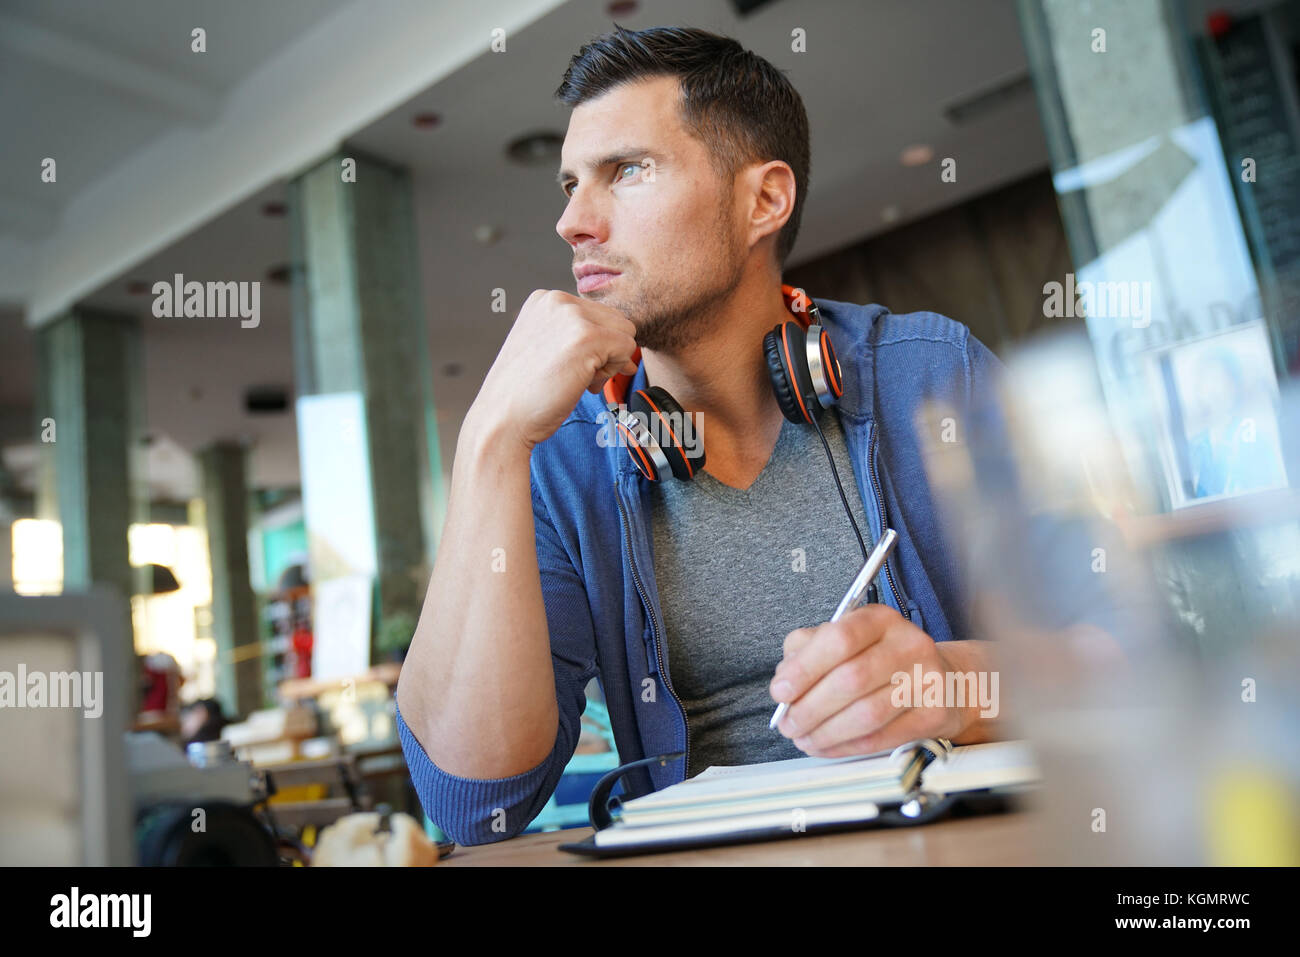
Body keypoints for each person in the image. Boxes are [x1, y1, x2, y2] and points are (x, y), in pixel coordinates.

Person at [396, 25, 1005, 845]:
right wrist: (489, 443)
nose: (572, 222)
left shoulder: (929, 374)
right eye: (570, 184)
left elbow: (1126, 660)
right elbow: (476, 803)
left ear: (764, 200)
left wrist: (952, 686)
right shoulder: (568, 454)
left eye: (628, 170)